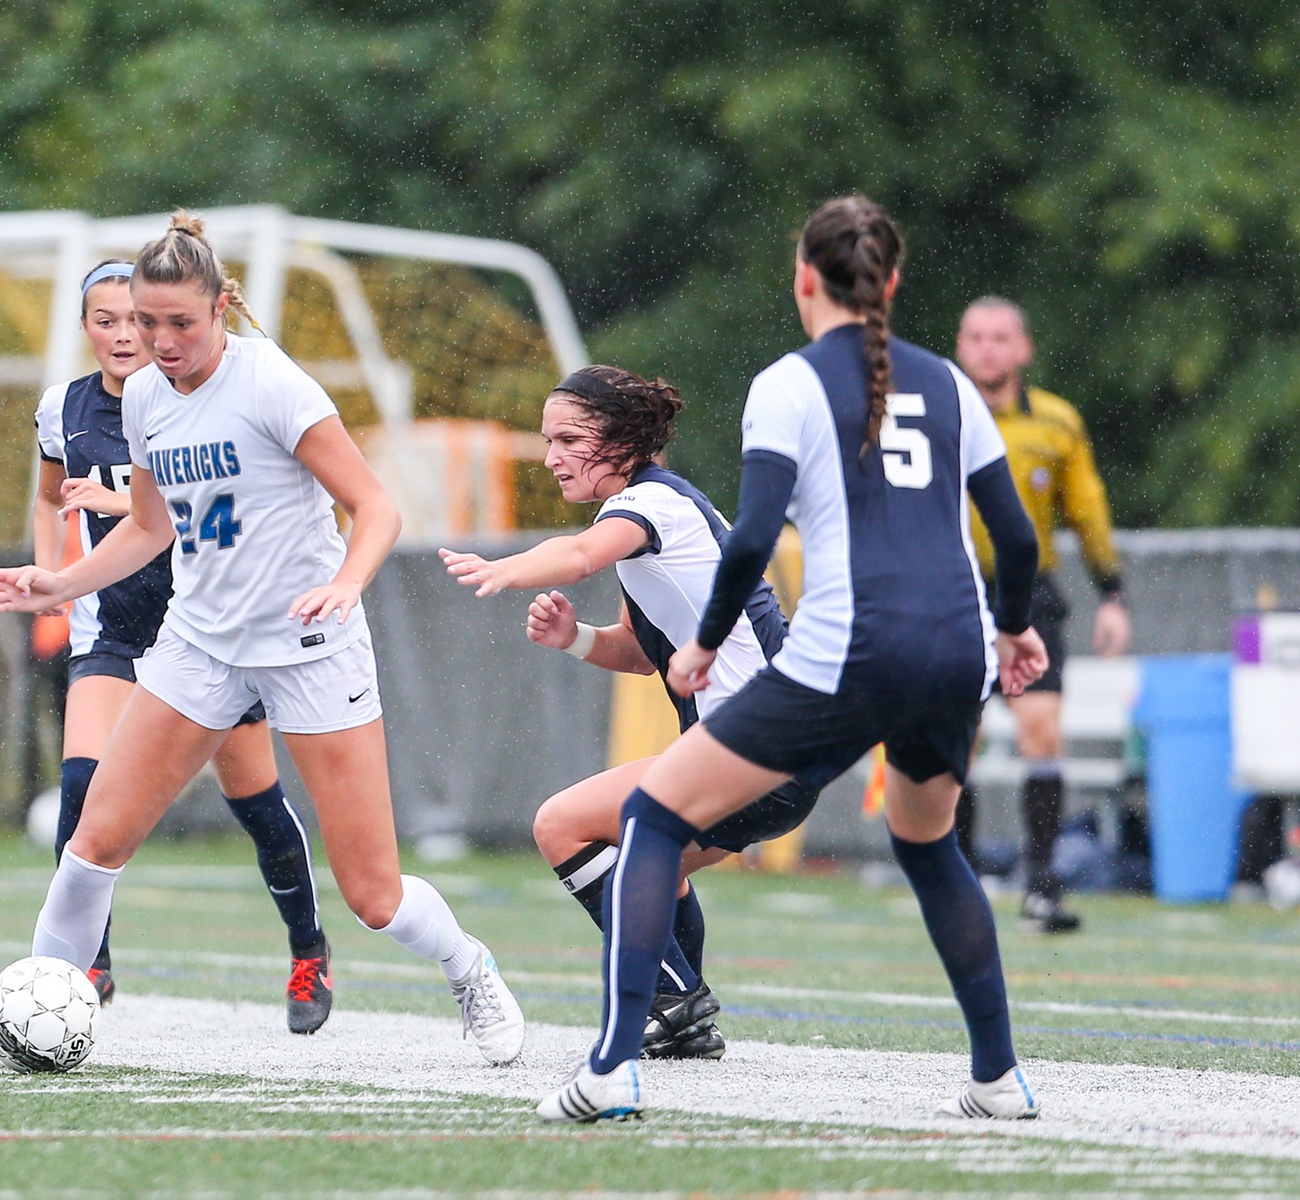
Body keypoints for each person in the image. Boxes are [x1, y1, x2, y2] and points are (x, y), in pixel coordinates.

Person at [537, 196, 1048, 1124]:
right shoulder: (949, 384)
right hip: (953, 647)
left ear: (803, 279)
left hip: (849, 649)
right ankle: (996, 1078)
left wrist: (697, 646)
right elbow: (1012, 537)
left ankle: (612, 1067)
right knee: (930, 848)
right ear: (890, 283)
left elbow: (753, 542)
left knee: (650, 820)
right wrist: (1012, 630)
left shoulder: (789, 384)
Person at [0, 212, 526, 1065]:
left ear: (221, 308)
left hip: (309, 648)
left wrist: (344, 585)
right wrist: (60, 583)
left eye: (178, 323)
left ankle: (470, 968)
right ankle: (31, 1020)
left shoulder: (274, 385)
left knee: (373, 895)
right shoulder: (149, 399)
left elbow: (376, 507)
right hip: (199, 646)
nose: (158, 341)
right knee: (91, 845)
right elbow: (150, 527)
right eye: (145, 322)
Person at [438, 364, 818, 1063]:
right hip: (774, 756)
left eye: (568, 438)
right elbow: (640, 655)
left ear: (620, 439)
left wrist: (506, 568)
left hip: (751, 749)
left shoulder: (652, 507)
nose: (551, 456)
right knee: (652, 858)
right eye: (547, 439)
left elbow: (579, 554)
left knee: (559, 823)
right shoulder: (651, 514)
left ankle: (673, 996)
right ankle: (687, 1021)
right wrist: (574, 640)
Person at [30, 259, 332, 1033]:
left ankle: (307, 947)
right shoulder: (64, 408)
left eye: (137, 318)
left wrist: (120, 501)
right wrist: (53, 580)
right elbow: (46, 496)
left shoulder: (201, 393)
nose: (126, 334)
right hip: (115, 628)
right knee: (80, 785)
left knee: (255, 802)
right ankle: (83, 965)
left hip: (208, 629)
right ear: (87, 327)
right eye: (106, 320)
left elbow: (160, 509)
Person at [955, 297, 1131, 934]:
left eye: (1001, 337)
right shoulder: (933, 416)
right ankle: (962, 880)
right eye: (976, 337)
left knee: (1042, 732)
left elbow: (1088, 509)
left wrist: (1113, 594)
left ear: (1023, 348)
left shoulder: (1057, 422)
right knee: (956, 741)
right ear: (960, 345)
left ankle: (1041, 886)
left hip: (1030, 593)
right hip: (954, 591)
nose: (988, 349)